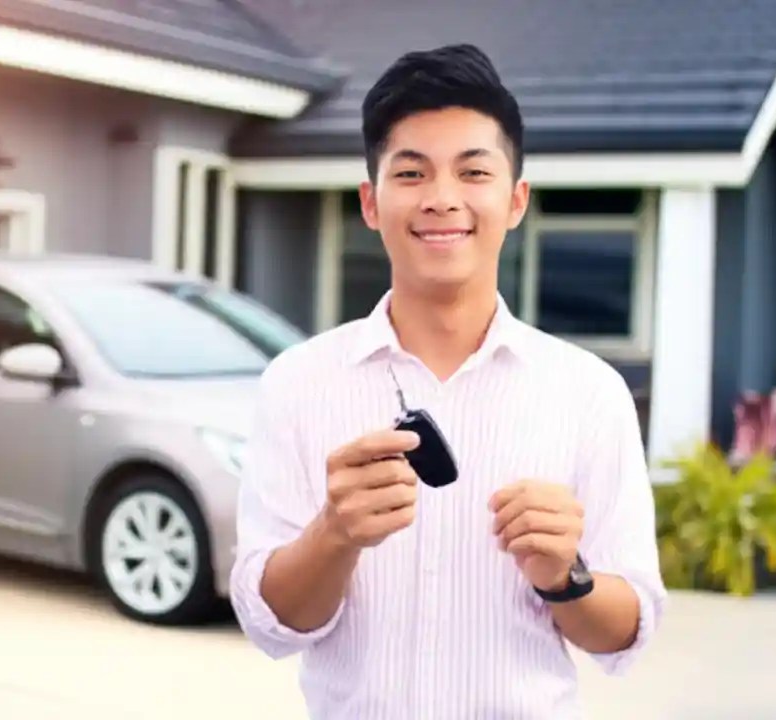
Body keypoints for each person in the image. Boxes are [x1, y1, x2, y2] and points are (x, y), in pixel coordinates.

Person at [229, 43, 666, 719]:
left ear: (515, 200)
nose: (441, 199)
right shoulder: (297, 382)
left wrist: (564, 576)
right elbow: (272, 625)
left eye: (472, 172)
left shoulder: (588, 392)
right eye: (411, 173)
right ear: (371, 204)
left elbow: (626, 634)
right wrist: (334, 535)